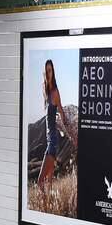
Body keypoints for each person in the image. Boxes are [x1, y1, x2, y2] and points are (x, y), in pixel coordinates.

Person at [37, 58, 77, 190]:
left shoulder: (55, 92)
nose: (48, 73)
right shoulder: (46, 91)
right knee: (49, 183)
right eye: (46, 71)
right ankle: (47, 203)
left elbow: (61, 113)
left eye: (50, 71)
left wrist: (70, 130)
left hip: (53, 142)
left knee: (40, 181)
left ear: (53, 72)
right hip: (49, 138)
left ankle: (44, 202)